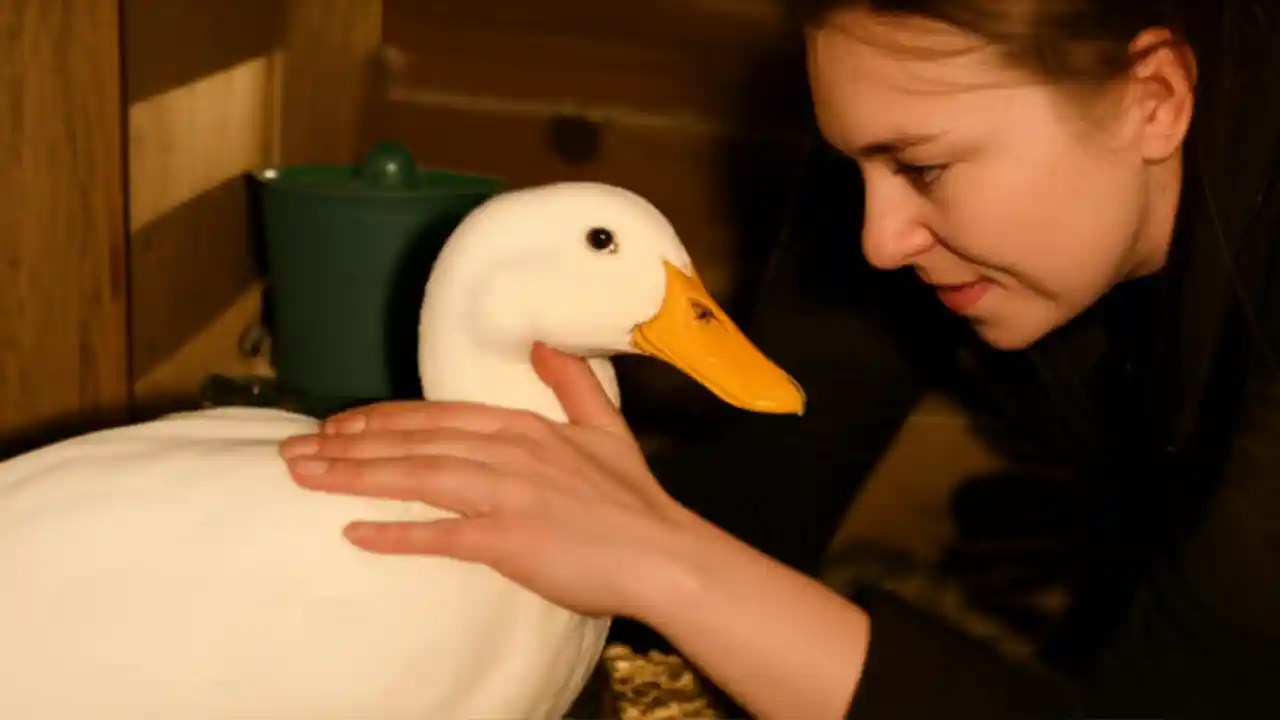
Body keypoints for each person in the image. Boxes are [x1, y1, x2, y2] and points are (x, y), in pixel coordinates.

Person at [277, 0, 1280, 717]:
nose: (878, 240)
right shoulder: (902, 159)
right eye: (853, 166)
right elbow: (765, 485)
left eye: (921, 168)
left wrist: (660, 558)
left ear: (1152, 99)